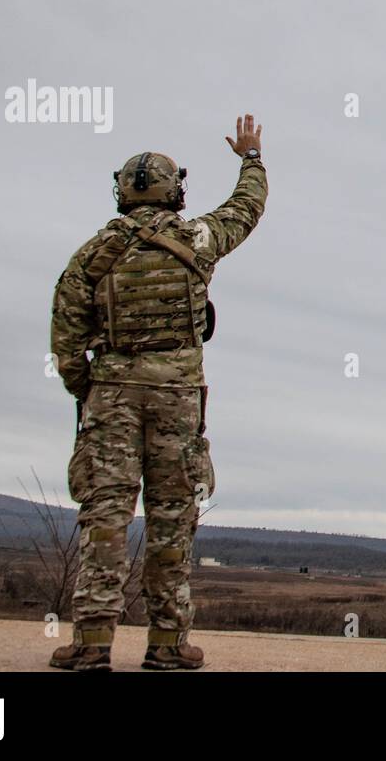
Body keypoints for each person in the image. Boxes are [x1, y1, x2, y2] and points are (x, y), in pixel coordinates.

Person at [48, 115, 266, 670]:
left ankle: (92, 644)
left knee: (105, 519)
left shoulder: (93, 253)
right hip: (177, 400)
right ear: (176, 191)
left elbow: (67, 340)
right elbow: (246, 210)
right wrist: (251, 158)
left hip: (112, 398)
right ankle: (167, 645)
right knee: (172, 520)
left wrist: (94, 389)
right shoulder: (196, 238)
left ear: (122, 190)